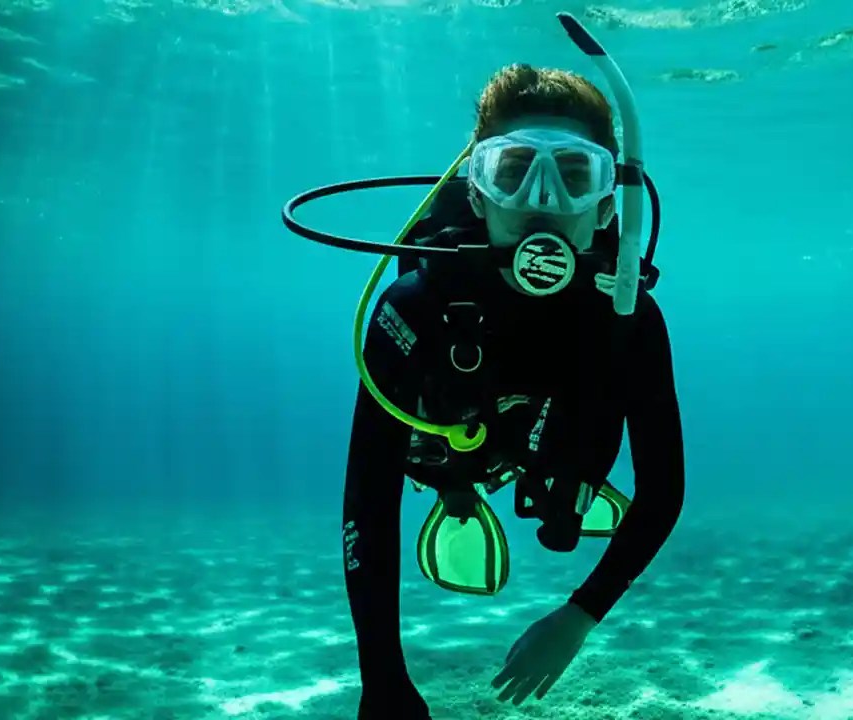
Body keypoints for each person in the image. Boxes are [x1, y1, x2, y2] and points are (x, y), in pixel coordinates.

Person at [280, 15, 684, 718]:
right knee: (447, 456)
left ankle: (567, 493)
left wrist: (578, 617)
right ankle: (461, 496)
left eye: (574, 176)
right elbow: (367, 503)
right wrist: (383, 679)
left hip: (560, 448)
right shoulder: (411, 311)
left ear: (608, 200)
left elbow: (663, 493)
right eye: (515, 172)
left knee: (576, 462)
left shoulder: (630, 319)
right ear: (476, 189)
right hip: (450, 446)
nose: (544, 207)